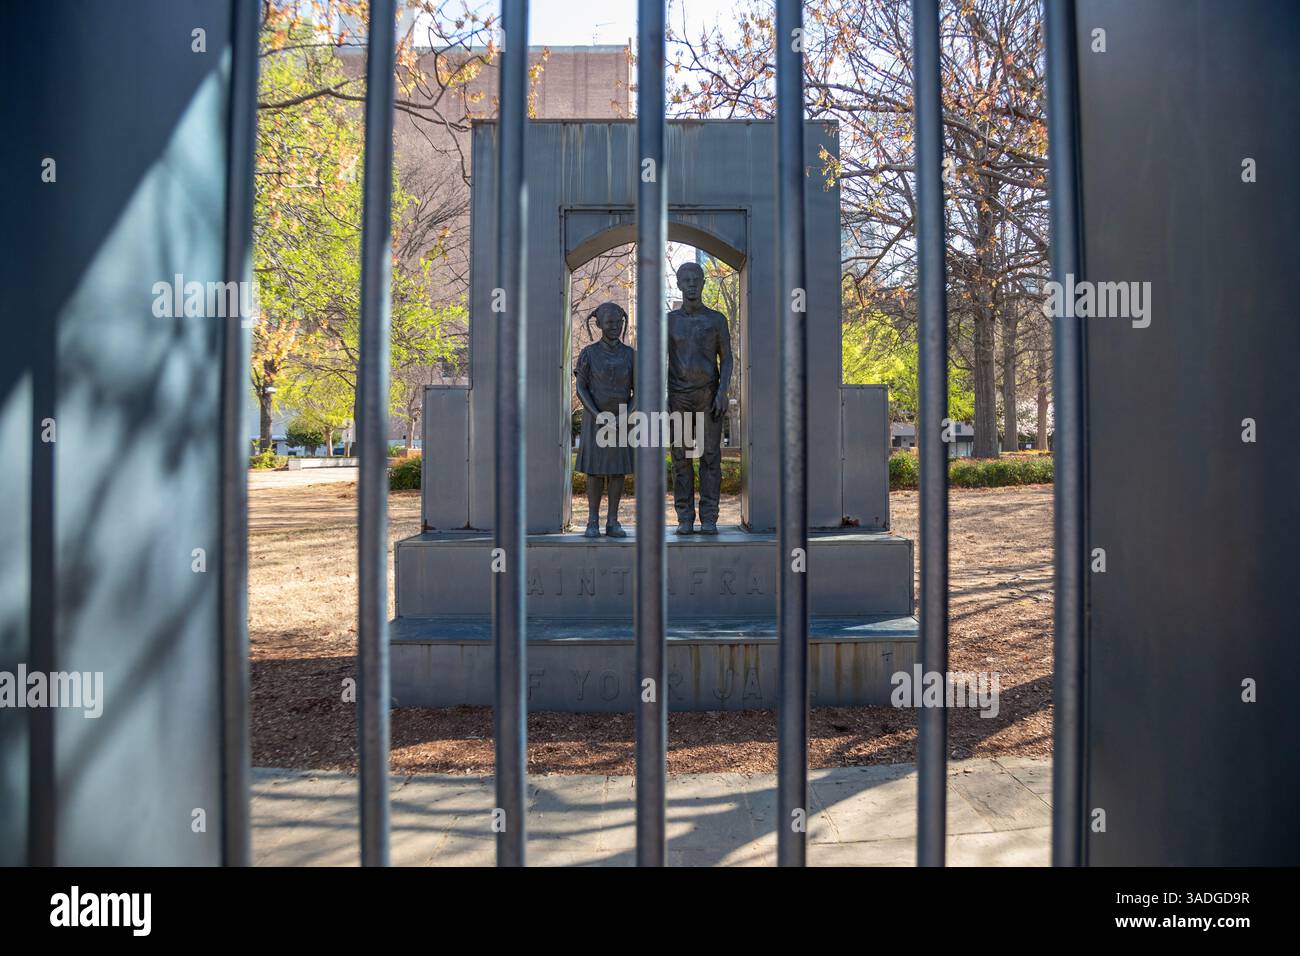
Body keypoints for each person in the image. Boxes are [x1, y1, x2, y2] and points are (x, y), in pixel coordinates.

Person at [667, 261, 732, 535]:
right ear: (679, 284)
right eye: (686, 280)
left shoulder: (716, 320)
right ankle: (684, 517)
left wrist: (723, 392)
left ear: (703, 283)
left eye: (696, 279)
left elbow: (727, 359)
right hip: (678, 397)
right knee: (681, 459)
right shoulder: (669, 321)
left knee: (710, 457)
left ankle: (709, 517)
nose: (691, 284)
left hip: (708, 396)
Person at [574, 301, 635, 537]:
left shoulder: (630, 355)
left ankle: (613, 521)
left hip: (621, 420)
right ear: (598, 324)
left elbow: (637, 391)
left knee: (617, 471)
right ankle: (592, 521)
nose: (613, 327)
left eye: (617, 322)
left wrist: (626, 415)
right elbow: (581, 387)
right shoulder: (588, 353)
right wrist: (597, 414)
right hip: (594, 419)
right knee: (595, 471)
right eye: (609, 322)